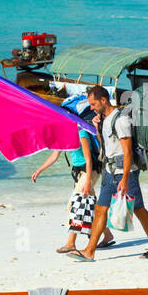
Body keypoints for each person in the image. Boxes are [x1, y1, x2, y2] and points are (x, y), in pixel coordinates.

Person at [72, 85, 148, 260]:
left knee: (139, 210)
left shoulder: (121, 121)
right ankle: (89, 251)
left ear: (103, 100)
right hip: (109, 171)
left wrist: (126, 179)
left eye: (93, 104)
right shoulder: (105, 120)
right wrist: (98, 129)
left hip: (124, 173)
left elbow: (127, 151)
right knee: (100, 209)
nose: (91, 108)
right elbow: (106, 146)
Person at [31, 98, 114, 253]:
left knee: (75, 204)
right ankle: (107, 235)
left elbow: (89, 160)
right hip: (79, 173)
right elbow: (54, 156)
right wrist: (39, 170)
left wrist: (88, 180)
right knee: (93, 207)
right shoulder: (63, 134)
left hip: (89, 171)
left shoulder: (80, 131)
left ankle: (71, 243)